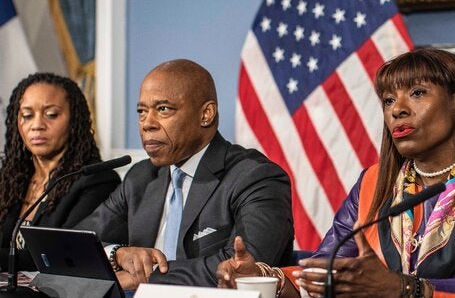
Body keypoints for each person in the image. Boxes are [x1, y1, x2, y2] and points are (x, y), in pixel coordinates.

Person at [216, 47, 455, 297]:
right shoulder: (374, 182)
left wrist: (405, 289)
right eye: (388, 100)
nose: (397, 109)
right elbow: (328, 268)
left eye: (417, 93)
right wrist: (264, 278)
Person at [76, 59, 294, 289]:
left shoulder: (255, 177)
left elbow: (244, 270)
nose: (147, 123)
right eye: (142, 111)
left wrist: (148, 278)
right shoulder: (141, 177)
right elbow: (74, 241)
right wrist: (117, 254)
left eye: (163, 109)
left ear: (206, 114)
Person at [0, 72, 121, 270]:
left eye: (51, 115)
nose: (37, 125)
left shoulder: (96, 181)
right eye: (27, 116)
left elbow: (61, 255)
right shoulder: (10, 179)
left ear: (74, 120)